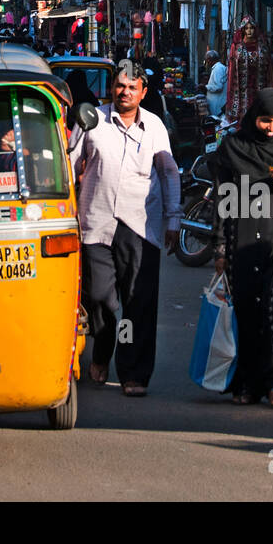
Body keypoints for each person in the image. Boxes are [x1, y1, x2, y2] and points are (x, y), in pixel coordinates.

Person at [72, 63, 180, 397]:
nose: (125, 92)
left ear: (143, 92)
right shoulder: (92, 121)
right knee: (102, 300)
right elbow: (72, 164)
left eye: (132, 87)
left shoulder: (155, 127)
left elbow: (169, 174)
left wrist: (173, 220)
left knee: (137, 304)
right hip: (96, 224)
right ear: (111, 89)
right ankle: (103, 349)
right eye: (120, 86)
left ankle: (132, 369)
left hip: (140, 226)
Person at [209, 88, 273, 408]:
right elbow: (223, 200)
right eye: (265, 120)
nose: (271, 128)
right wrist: (221, 249)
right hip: (243, 237)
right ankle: (249, 382)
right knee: (248, 310)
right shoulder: (233, 148)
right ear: (254, 117)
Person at [204, 49, 228, 119]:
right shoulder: (218, 68)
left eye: (207, 60)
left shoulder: (218, 69)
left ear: (209, 59)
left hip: (218, 105)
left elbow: (218, 87)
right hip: (218, 104)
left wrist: (206, 87)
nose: (207, 63)